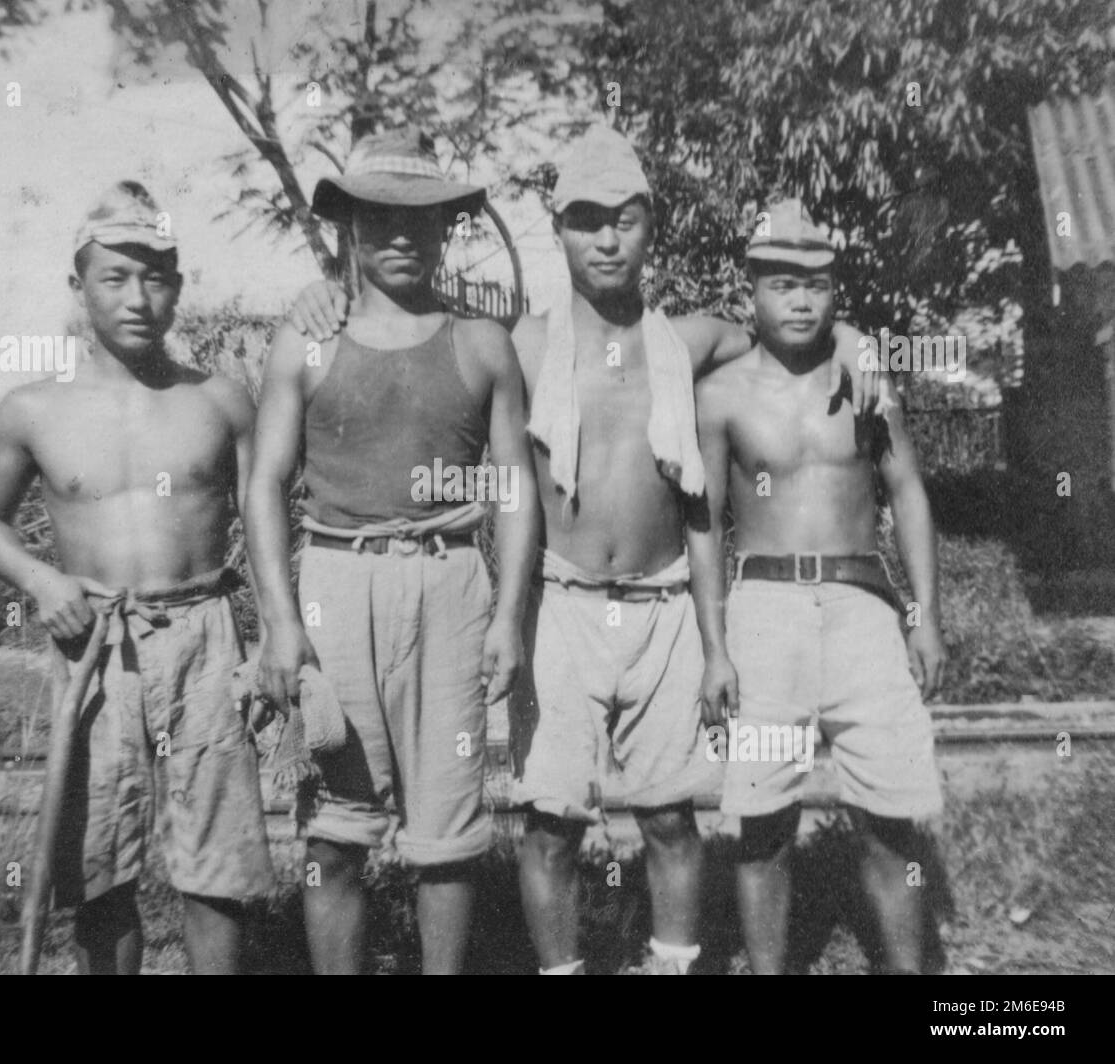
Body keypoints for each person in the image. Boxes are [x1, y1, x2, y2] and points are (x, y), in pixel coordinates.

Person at [287, 128, 880, 975]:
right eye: (587, 220)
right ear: (557, 227)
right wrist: (321, 294)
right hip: (558, 605)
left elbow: (798, 331)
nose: (607, 239)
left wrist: (858, 342)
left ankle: (674, 963)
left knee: (672, 816)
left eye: (626, 220)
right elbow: (403, 326)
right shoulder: (519, 344)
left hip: (665, 601)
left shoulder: (694, 339)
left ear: (651, 228)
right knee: (552, 822)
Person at [246, 126, 539, 975]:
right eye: (380, 219)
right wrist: (279, 625)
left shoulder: (483, 343)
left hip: (449, 585)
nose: (402, 236)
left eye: (423, 219)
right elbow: (264, 485)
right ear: (350, 229)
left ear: (449, 227)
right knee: (333, 832)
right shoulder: (305, 341)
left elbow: (512, 490)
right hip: (336, 585)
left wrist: (508, 620)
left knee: (446, 837)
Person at [0, 181, 273, 974]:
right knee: (99, 869)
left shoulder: (220, 401)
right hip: (95, 644)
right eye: (114, 277)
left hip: (205, 636)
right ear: (79, 287)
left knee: (216, 870)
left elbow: (266, 522)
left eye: (155, 277)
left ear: (177, 284)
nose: (137, 298)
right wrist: (41, 581)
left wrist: (278, 637)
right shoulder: (33, 409)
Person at [695, 198, 945, 975]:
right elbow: (702, 523)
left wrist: (925, 613)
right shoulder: (722, 393)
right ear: (752, 292)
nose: (799, 300)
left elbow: (906, 491)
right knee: (763, 818)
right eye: (779, 284)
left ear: (835, 292)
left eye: (815, 285)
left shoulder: (864, 381)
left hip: (863, 609)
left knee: (892, 813)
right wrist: (714, 648)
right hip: (764, 613)